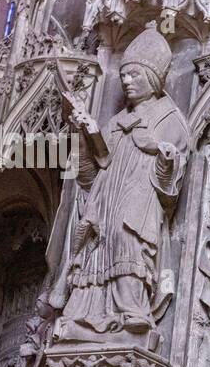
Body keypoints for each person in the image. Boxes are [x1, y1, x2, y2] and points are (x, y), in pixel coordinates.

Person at [50, 21, 189, 339]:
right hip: (105, 199)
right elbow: (91, 174)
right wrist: (81, 134)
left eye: (134, 75)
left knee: (126, 239)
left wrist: (165, 158)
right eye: (123, 74)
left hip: (140, 199)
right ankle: (86, 316)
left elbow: (172, 187)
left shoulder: (169, 119)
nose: (126, 81)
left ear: (153, 80)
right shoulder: (115, 122)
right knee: (99, 243)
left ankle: (132, 314)